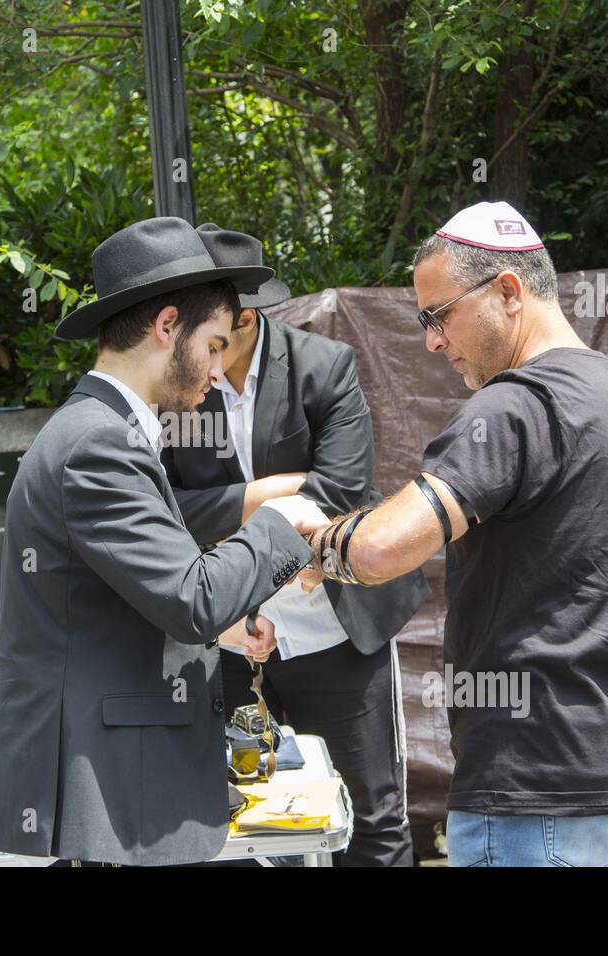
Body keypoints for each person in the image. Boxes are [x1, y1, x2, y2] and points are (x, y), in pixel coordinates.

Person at [300, 201, 608, 867]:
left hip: (536, 791)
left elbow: (380, 549)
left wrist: (309, 541)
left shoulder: (516, 405)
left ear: (507, 291)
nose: (432, 341)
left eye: (438, 315)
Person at [0, 217, 327, 866]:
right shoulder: (99, 443)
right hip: (112, 797)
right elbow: (191, 599)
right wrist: (285, 518)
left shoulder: (104, 431)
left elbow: (110, 602)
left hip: (124, 791)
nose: (220, 372)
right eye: (215, 345)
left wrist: (221, 631)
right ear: (167, 327)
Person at [162, 222, 430, 866]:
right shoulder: (172, 391)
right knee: (237, 813)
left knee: (369, 812)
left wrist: (251, 512)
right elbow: (165, 511)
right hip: (227, 630)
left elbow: (339, 494)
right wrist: (274, 491)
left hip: (335, 629)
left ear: (241, 320)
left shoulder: (323, 365)